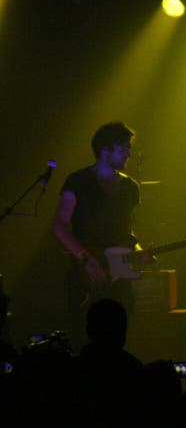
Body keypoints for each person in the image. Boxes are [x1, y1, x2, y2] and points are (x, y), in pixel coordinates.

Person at [52, 121, 148, 348]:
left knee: (119, 338)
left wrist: (138, 251)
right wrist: (86, 259)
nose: (129, 154)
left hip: (119, 277)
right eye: (124, 148)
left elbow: (128, 233)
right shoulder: (77, 181)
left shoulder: (130, 187)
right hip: (84, 279)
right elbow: (60, 225)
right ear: (106, 149)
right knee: (82, 338)